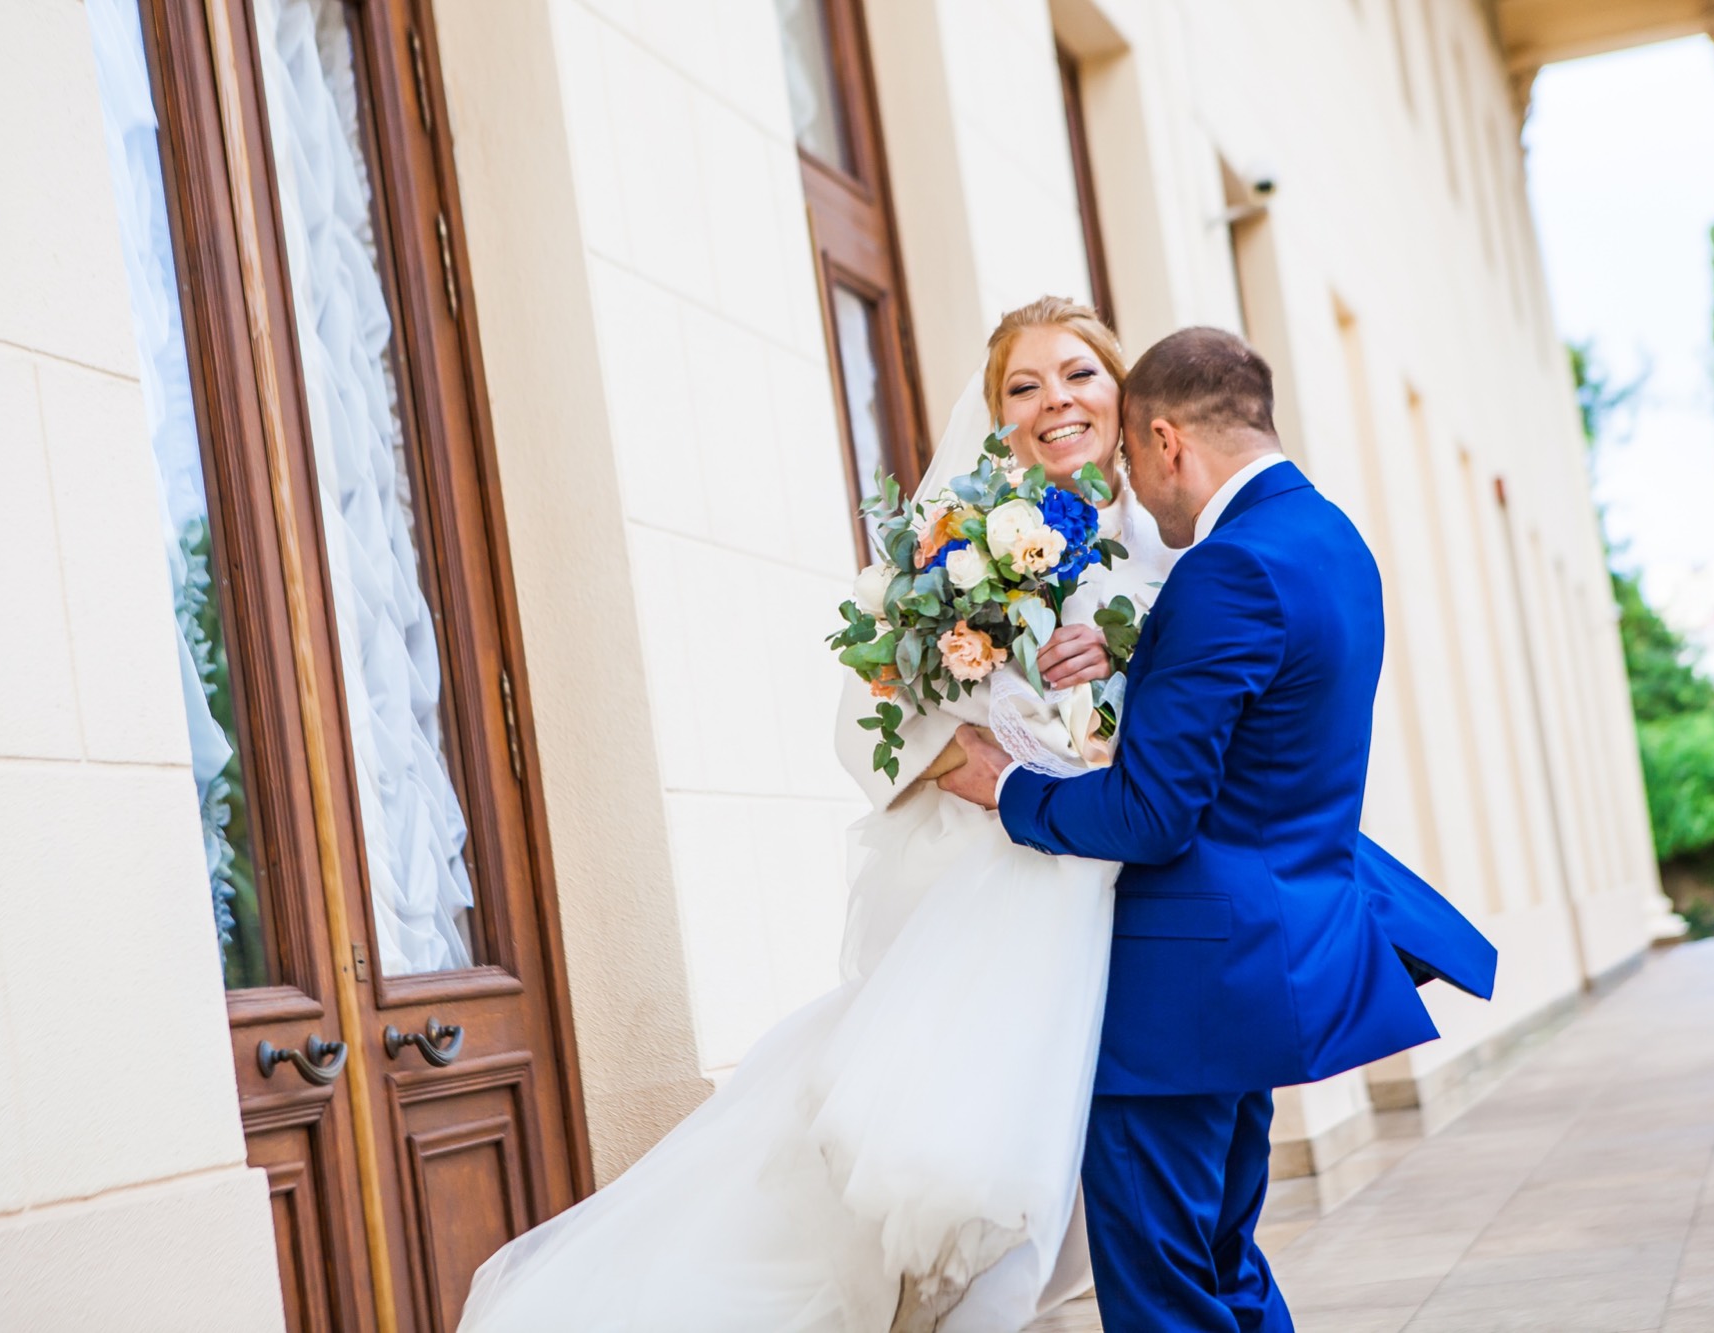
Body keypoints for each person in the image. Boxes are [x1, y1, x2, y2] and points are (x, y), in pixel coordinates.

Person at [457, 297, 1183, 1331]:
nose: (1054, 401)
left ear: (1120, 391)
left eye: (1077, 375)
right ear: (995, 418)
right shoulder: (952, 545)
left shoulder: (1166, 554)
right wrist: (971, 764)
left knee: (1070, 1196)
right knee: (958, 1179)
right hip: (993, 897)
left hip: (1124, 898)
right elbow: (866, 712)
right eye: (1023, 387)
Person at [940, 326, 1498, 1331]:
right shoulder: (1332, 539)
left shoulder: (1225, 569)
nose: (1133, 486)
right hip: (1259, 967)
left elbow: (1151, 815)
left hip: (1180, 988)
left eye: (1130, 454)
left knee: (1166, 1292)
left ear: (1164, 441)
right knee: (1220, 1267)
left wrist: (1006, 788)